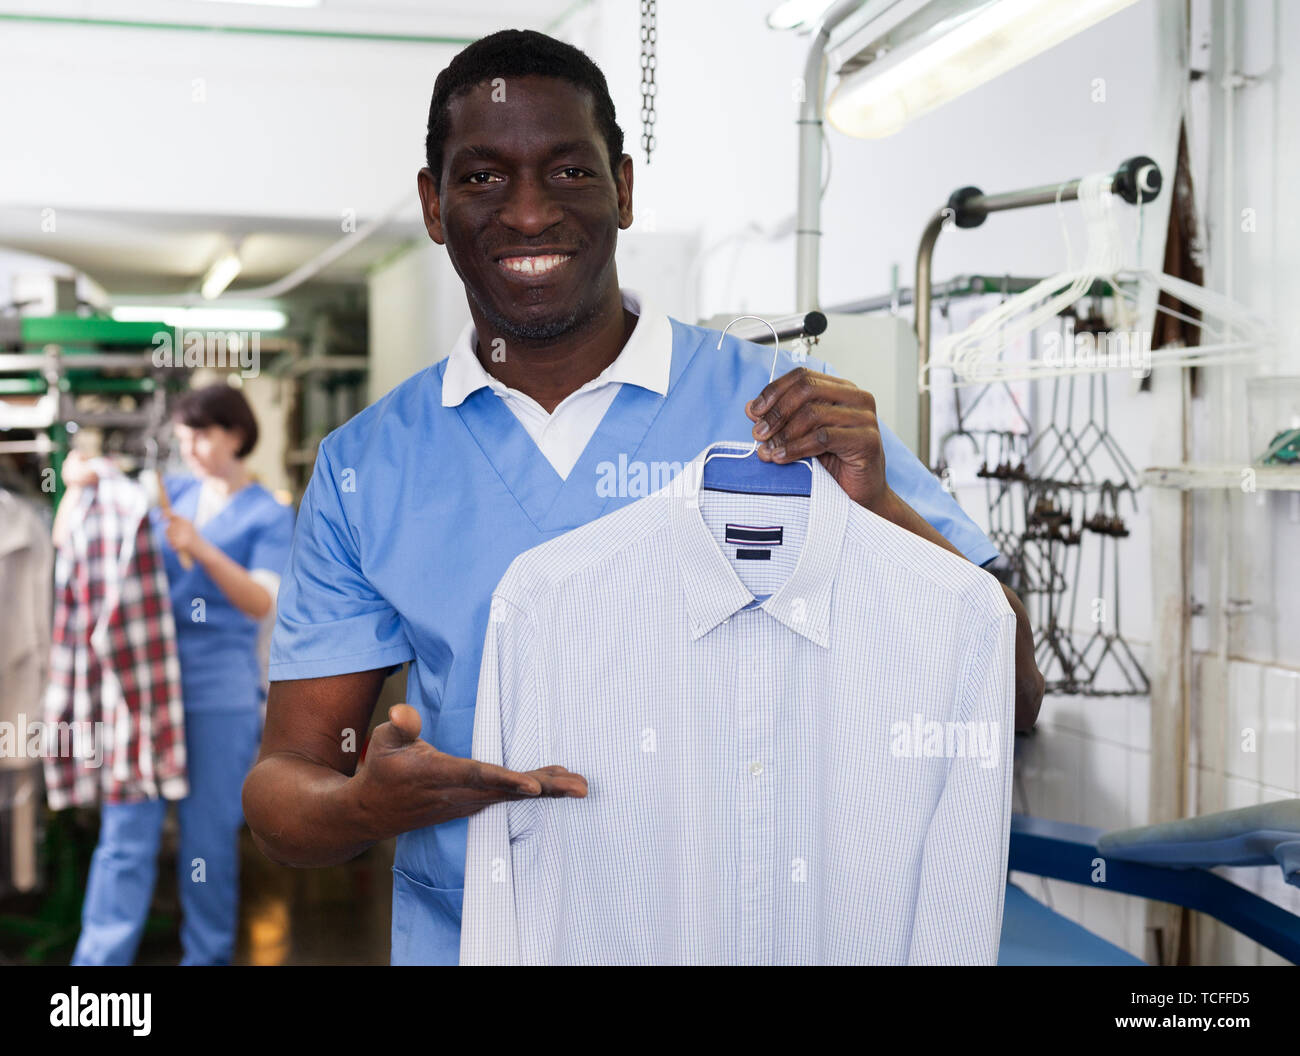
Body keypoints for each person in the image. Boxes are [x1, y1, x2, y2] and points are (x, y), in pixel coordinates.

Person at [244, 29, 1045, 966]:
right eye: (484, 178)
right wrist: (364, 806)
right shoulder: (369, 469)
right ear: (434, 203)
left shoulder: (785, 410)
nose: (531, 213)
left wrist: (882, 514)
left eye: (570, 172)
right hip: (482, 941)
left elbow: (1014, 695)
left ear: (623, 188)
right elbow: (283, 792)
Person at [69, 383, 295, 965]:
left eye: (202, 432)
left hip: (219, 694)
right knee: (126, 833)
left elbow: (261, 602)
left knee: (208, 842)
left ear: (236, 434)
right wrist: (84, 479)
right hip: (148, 688)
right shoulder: (173, 495)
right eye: (184, 433)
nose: (189, 445)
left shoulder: (268, 514)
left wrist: (203, 548)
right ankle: (96, 969)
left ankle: (207, 957)